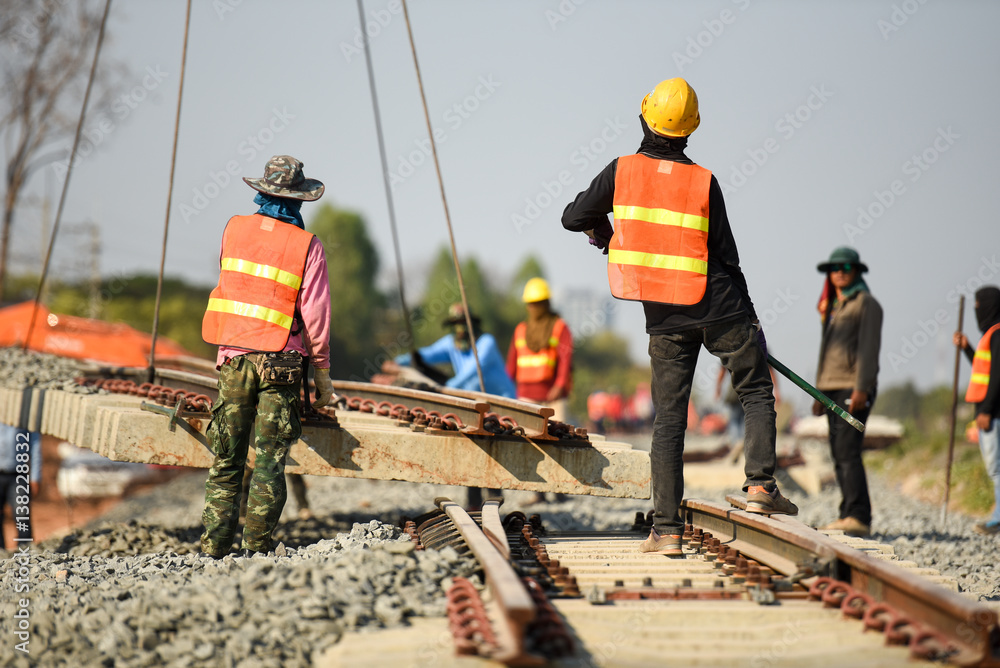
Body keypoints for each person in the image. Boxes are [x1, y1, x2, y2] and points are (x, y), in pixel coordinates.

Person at [562, 77, 797, 557]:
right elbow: (727, 257)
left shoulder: (620, 172)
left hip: (667, 316)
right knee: (755, 390)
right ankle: (759, 488)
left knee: (669, 420)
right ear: (691, 129)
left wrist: (604, 233)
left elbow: (572, 216)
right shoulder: (704, 180)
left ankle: (667, 532)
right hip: (720, 303)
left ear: (645, 115)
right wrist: (751, 320)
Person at [199, 155, 333, 558]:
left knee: (227, 458)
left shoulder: (233, 229)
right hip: (281, 362)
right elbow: (316, 313)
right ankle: (257, 548)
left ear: (261, 192)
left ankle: (213, 548)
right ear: (299, 200)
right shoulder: (307, 245)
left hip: (235, 359)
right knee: (270, 461)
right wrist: (322, 372)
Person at [813, 246, 882, 538]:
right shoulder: (833, 306)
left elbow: (868, 350)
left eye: (845, 267)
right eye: (834, 268)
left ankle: (858, 515)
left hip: (852, 387)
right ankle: (848, 514)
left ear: (855, 270)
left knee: (848, 450)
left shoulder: (865, 304)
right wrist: (819, 393)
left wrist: (861, 389)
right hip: (831, 386)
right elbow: (827, 353)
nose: (839, 272)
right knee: (837, 452)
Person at [506, 277, 573, 503]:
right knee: (531, 446)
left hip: (553, 396)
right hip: (527, 396)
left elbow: (565, 359)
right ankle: (538, 493)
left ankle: (561, 492)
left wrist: (560, 384)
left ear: (546, 303)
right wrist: (507, 392)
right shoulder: (520, 330)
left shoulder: (559, 327)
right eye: (531, 303)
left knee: (558, 444)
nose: (534, 308)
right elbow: (511, 366)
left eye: (538, 303)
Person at [953, 285, 1000, 535]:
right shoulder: (991, 335)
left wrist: (987, 411)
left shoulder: (998, 334)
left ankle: (998, 518)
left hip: (993, 416)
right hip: (990, 413)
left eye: (979, 306)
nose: (976, 311)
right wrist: (967, 348)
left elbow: (997, 376)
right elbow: (983, 369)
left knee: (997, 467)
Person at [393, 303, 516, 398]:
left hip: (503, 399)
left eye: (464, 323)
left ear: (472, 324)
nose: (460, 328)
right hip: (479, 402)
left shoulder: (486, 342)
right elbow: (428, 354)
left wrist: (450, 386)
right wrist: (399, 361)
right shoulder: (450, 343)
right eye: (456, 323)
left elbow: (474, 369)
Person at [0, 426, 41, 549]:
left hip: (18, 474)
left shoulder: (26, 416)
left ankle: (24, 554)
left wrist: (35, 477)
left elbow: (35, 445)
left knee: (22, 515)